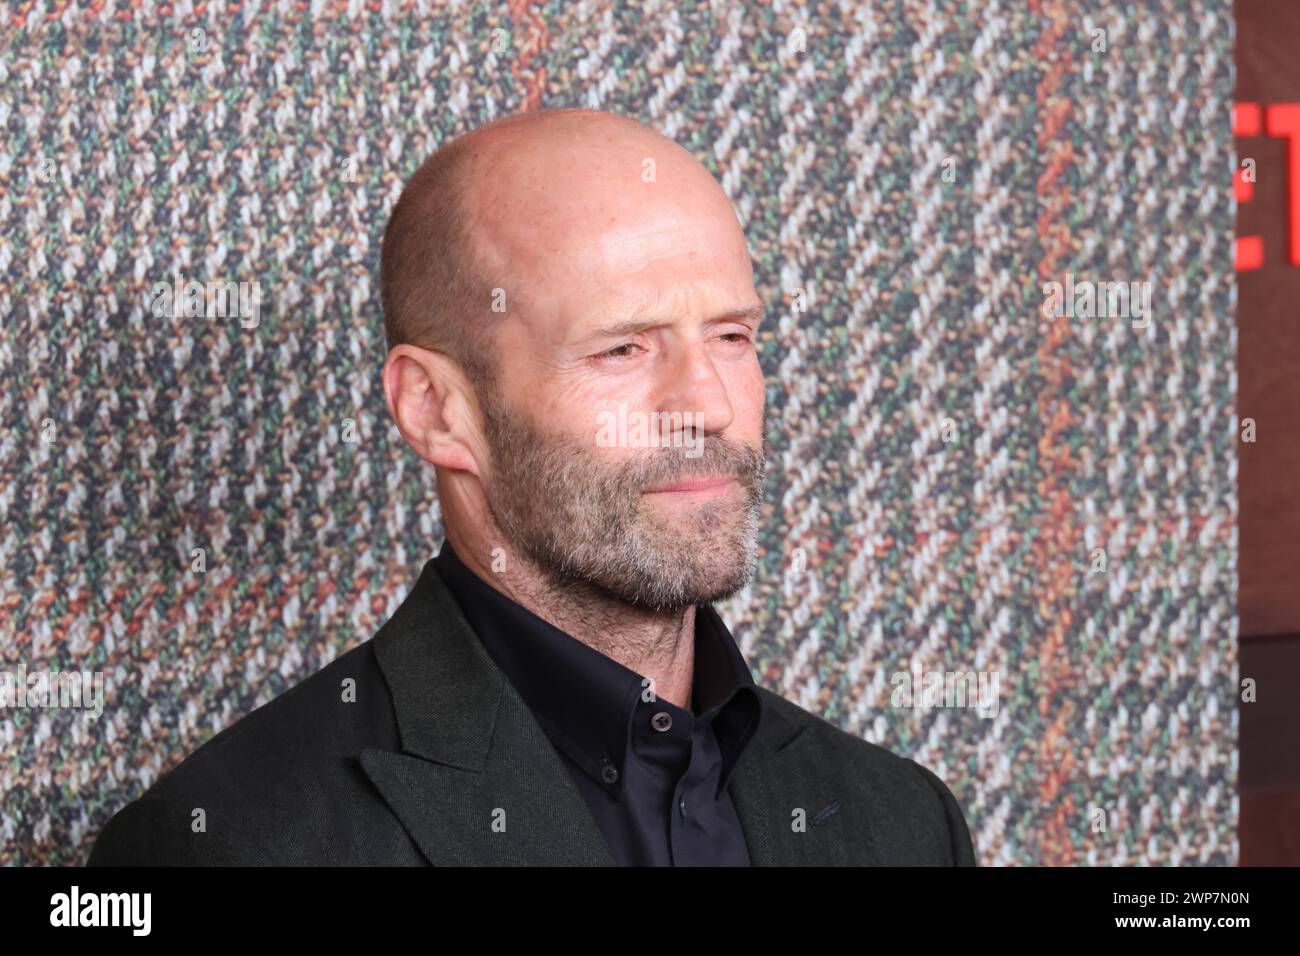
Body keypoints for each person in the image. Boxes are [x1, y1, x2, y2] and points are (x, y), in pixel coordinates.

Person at [88, 108, 975, 866]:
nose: (707, 404)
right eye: (623, 348)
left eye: (734, 337)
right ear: (438, 410)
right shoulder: (233, 845)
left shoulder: (901, 824)